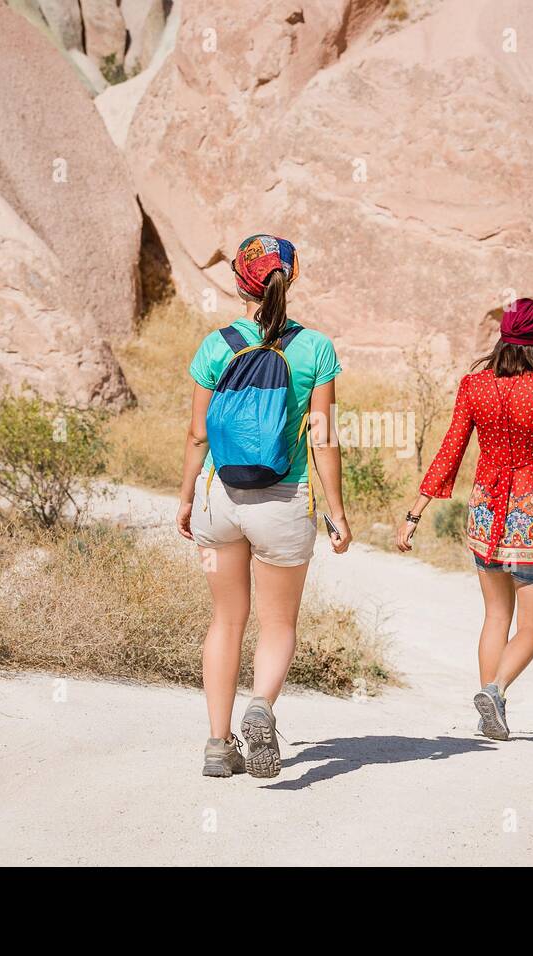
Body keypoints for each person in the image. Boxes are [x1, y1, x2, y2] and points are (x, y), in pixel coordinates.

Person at [396, 299, 533, 741]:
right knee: (531, 626)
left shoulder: (473, 385)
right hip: (531, 519)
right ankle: (494, 692)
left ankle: (488, 707)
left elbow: (449, 451)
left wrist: (414, 514)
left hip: (485, 513)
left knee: (495, 617)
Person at [177, 234, 351, 779]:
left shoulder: (214, 345)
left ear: (239, 283)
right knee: (278, 623)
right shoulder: (315, 348)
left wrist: (184, 498)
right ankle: (262, 707)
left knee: (226, 619)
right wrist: (338, 514)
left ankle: (216, 743)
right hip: (282, 506)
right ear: (290, 279)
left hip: (218, 504)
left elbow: (196, 434)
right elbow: (322, 436)